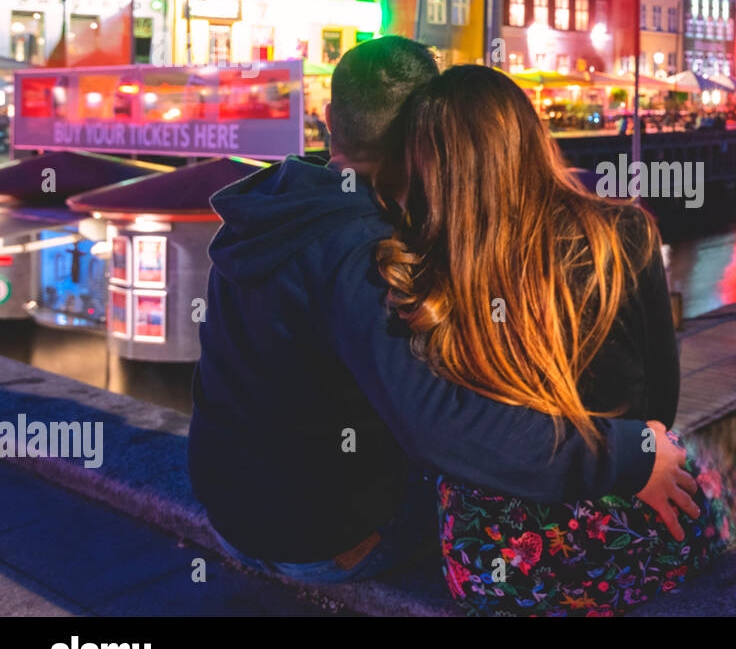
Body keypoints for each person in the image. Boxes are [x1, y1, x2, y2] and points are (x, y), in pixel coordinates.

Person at [189, 37, 699, 585]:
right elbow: (443, 425)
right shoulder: (367, 251)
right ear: (427, 136)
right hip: (324, 542)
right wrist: (628, 456)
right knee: (477, 486)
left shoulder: (276, 204)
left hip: (230, 513)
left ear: (330, 116)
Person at [376, 65, 736, 615]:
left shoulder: (418, 268)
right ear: (531, 137)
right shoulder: (622, 233)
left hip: (491, 559)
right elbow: (660, 404)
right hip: (622, 525)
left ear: (429, 163)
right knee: (715, 478)